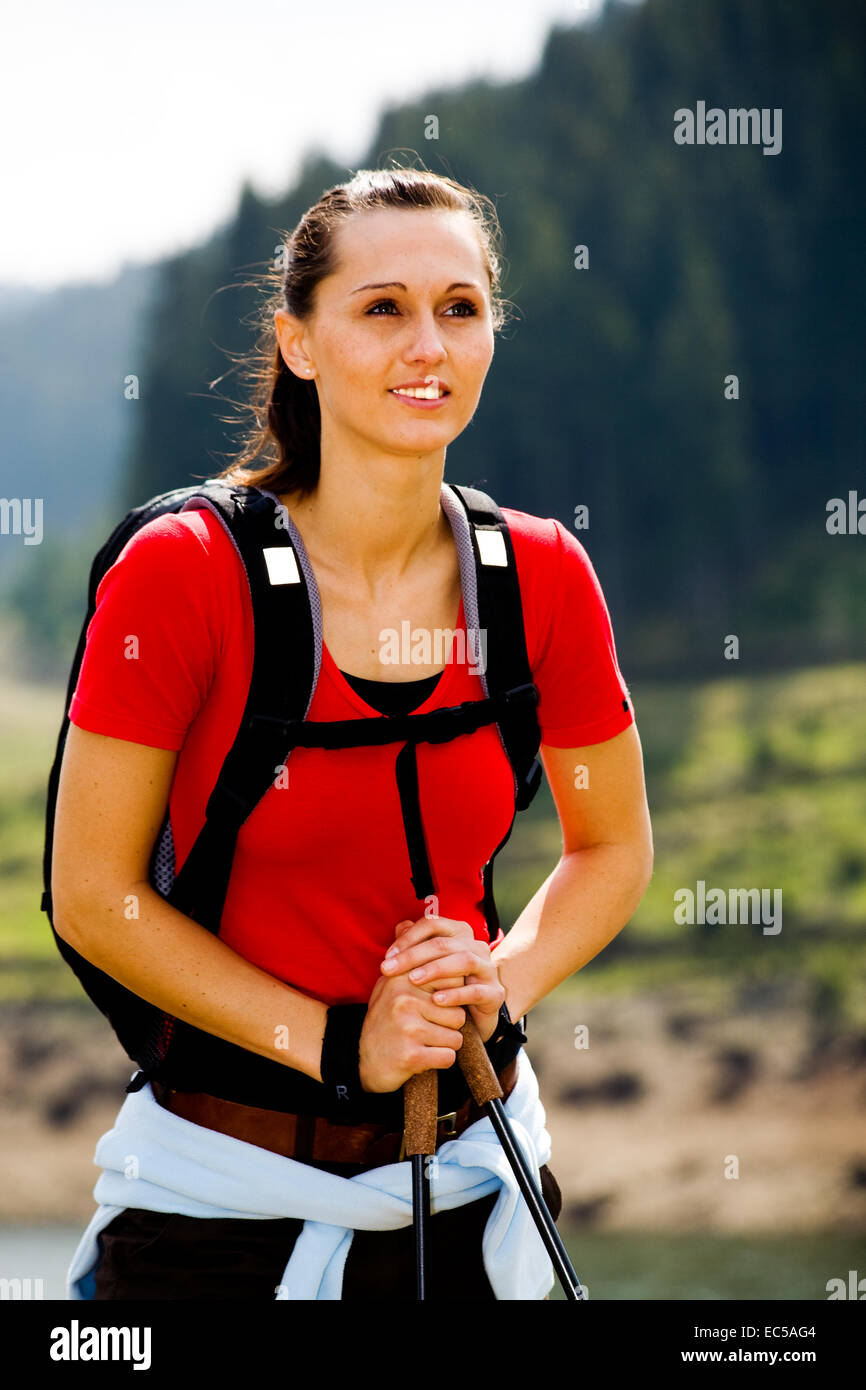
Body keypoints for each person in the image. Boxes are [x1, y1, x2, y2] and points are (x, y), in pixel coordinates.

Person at [52, 165, 653, 1300]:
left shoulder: (541, 577)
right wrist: (341, 1048)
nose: (426, 344)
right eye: (381, 308)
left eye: (459, 308)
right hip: (214, 1219)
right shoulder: (183, 575)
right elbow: (93, 895)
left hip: (481, 1196)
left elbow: (610, 849)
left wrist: (497, 982)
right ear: (299, 343)